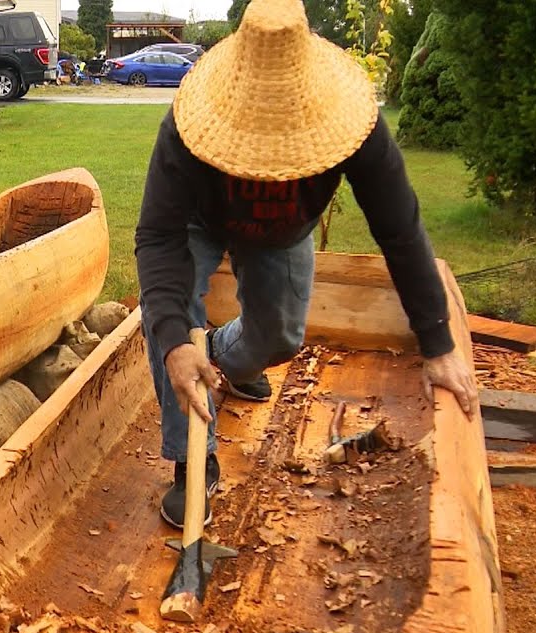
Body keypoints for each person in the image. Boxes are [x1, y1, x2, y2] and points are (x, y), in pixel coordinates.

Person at [134, 0, 479, 529]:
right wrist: (177, 342)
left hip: (282, 232)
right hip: (197, 224)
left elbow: (400, 230)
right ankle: (192, 460)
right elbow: (158, 237)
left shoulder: (355, 122)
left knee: (280, 339)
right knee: (171, 331)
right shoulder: (186, 123)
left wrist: (438, 343)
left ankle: (223, 361)